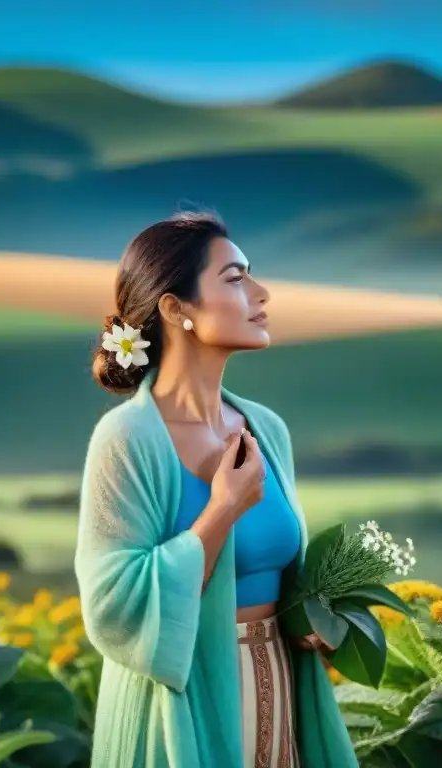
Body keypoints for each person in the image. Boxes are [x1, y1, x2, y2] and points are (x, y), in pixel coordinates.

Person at [74, 211, 358, 767]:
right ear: (175, 308)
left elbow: (282, 568)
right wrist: (223, 509)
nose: (261, 293)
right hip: (180, 707)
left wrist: (313, 621)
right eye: (234, 279)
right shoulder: (128, 438)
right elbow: (112, 606)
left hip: (280, 695)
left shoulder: (266, 430)